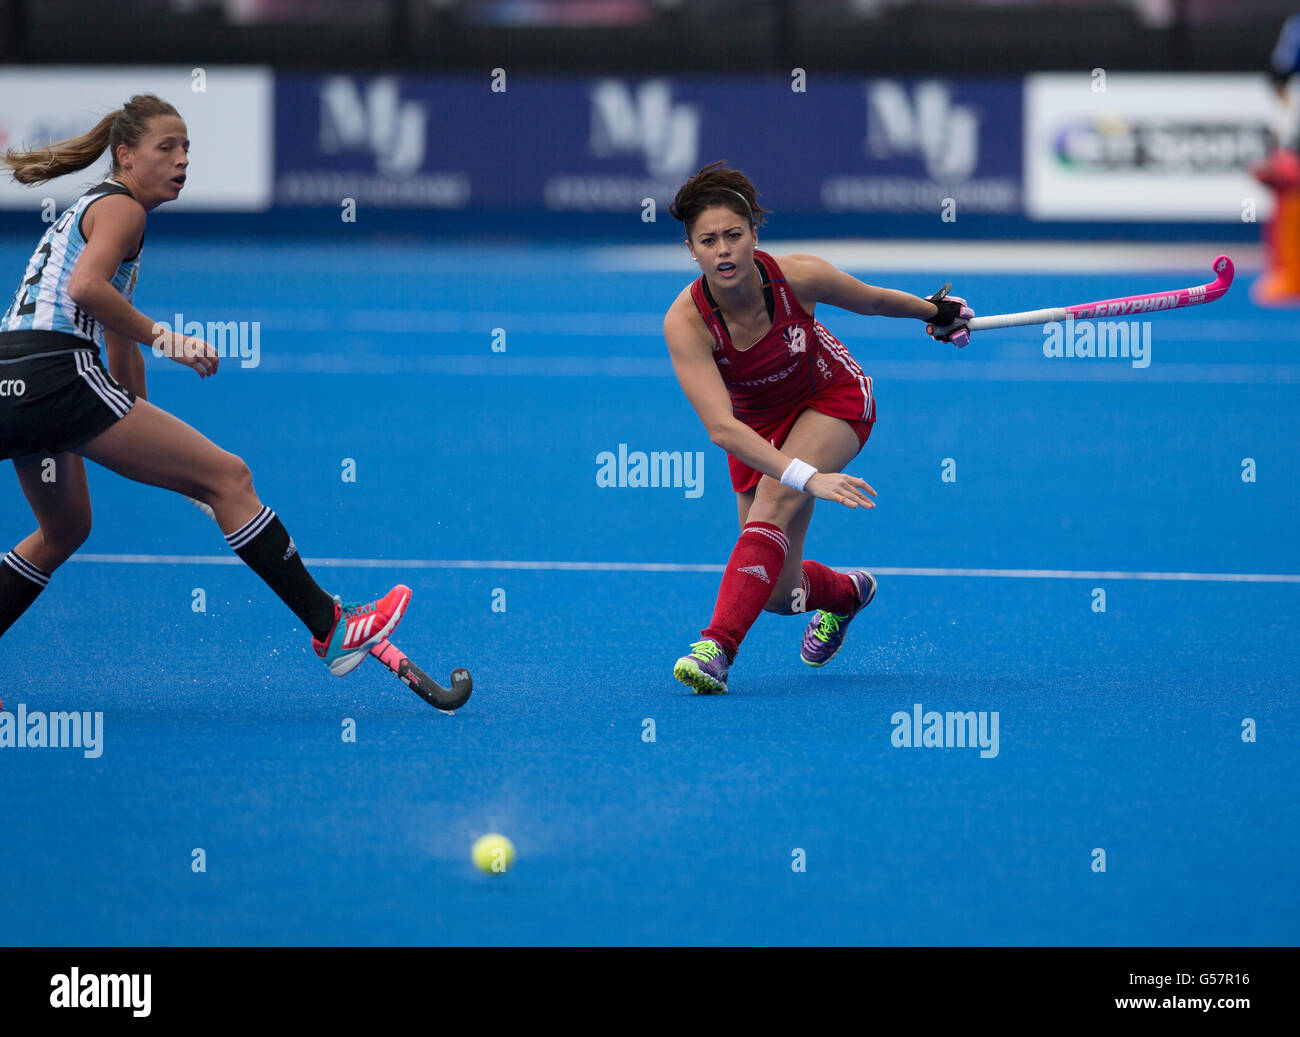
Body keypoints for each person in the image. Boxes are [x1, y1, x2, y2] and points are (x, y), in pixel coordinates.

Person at [0, 93, 408, 676]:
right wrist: (172, 341)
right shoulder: (123, 211)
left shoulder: (94, 213)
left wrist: (165, 458)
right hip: (54, 373)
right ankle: (334, 627)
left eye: (186, 148)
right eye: (165, 148)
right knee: (231, 476)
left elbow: (118, 346)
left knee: (64, 528)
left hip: (10, 379)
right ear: (125, 156)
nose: (181, 160)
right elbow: (87, 291)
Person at [662, 161, 972, 694]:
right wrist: (807, 476)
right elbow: (721, 428)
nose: (724, 250)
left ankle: (716, 648)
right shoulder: (685, 323)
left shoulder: (798, 276)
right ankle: (848, 594)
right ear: (692, 249)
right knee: (782, 594)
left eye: (734, 235)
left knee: (773, 504)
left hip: (831, 399)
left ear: (755, 235)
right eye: (708, 240)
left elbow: (871, 300)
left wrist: (935, 312)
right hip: (753, 430)